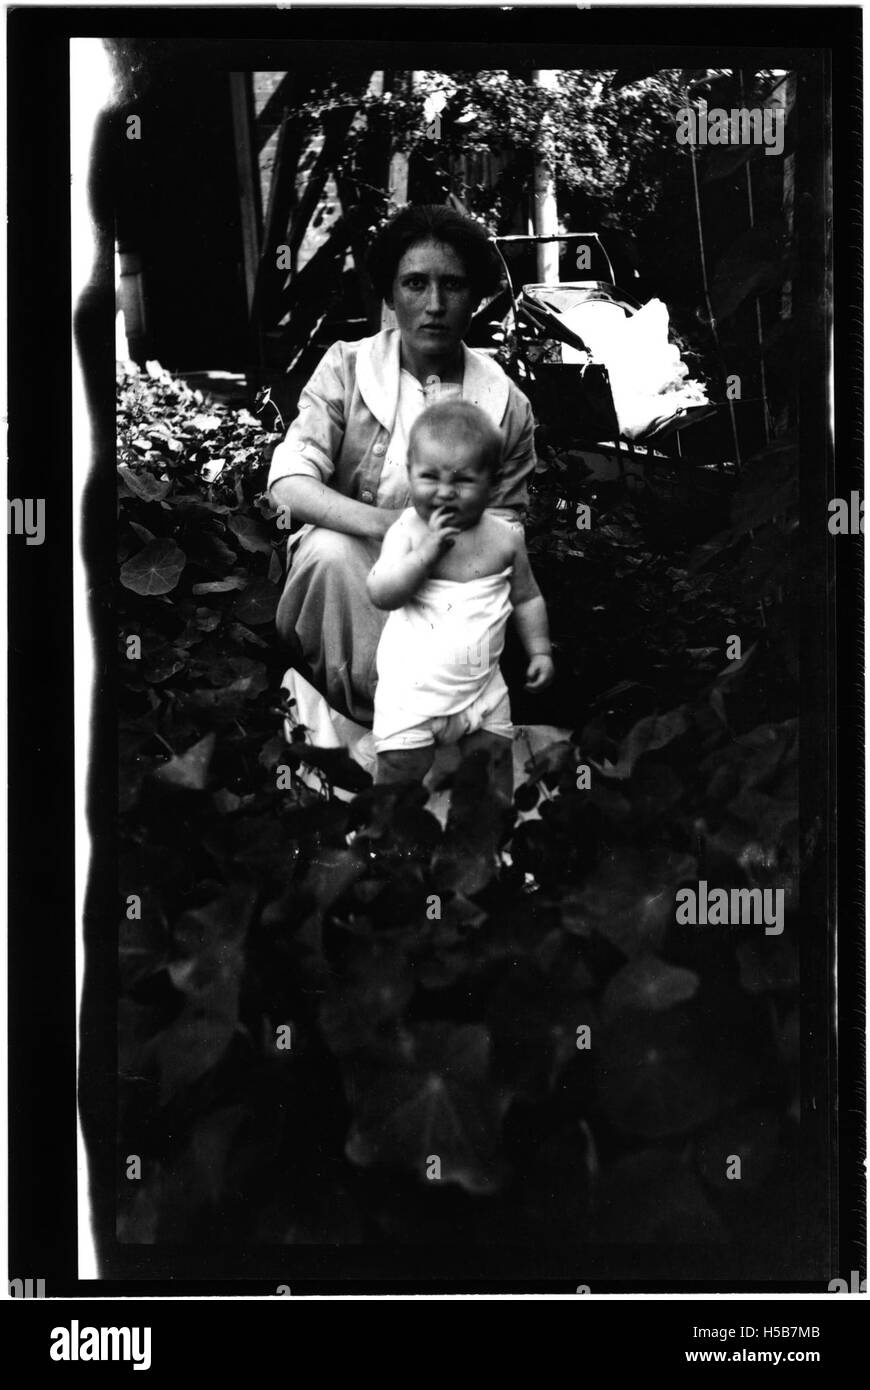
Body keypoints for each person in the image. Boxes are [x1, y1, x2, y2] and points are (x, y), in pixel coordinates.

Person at [267, 204, 537, 727]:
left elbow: (505, 531)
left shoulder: (505, 403)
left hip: (452, 580)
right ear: (390, 295)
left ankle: (424, 724)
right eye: (414, 284)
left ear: (475, 298)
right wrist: (393, 527)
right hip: (353, 575)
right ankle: (369, 719)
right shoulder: (348, 367)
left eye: (453, 286)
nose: (434, 305)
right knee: (328, 551)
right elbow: (288, 485)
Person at [367, 399, 554, 801]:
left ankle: (483, 838)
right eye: (429, 477)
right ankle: (385, 844)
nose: (445, 492)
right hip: (412, 696)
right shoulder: (408, 533)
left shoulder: (504, 538)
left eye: (464, 480)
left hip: (482, 692)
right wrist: (425, 555)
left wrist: (540, 650)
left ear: (493, 482)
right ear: (410, 473)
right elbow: (381, 593)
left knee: (491, 775)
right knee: (400, 777)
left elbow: (527, 597)